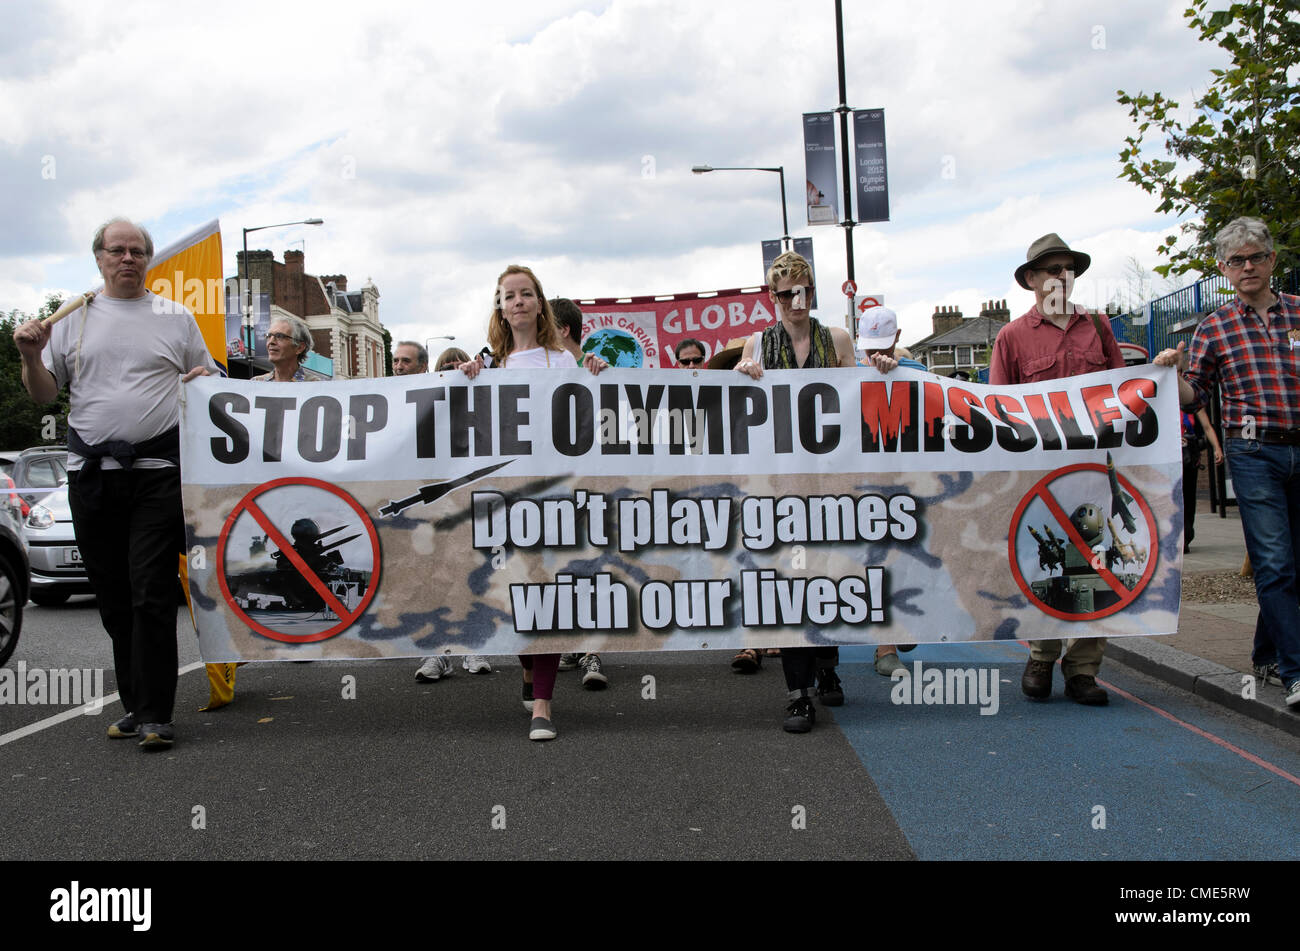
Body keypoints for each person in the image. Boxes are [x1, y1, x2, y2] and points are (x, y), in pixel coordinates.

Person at [13, 217, 217, 749]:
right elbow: (41, 396)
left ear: (148, 260)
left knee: (151, 590)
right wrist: (30, 356)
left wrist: (204, 380)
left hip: (157, 477)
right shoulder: (73, 321)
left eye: (137, 251)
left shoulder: (175, 317)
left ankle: (155, 713)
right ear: (99, 258)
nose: (127, 258)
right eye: (117, 250)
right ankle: (134, 704)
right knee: (114, 596)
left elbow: (211, 378)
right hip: (90, 478)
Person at [1154, 216, 1300, 707]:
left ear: (1272, 260)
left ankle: (1266, 654)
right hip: (1253, 451)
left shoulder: (1299, 313)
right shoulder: (1215, 326)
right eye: (1237, 261)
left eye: (1257, 256)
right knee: (1273, 561)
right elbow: (1195, 394)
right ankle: (1297, 672)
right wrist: (1172, 377)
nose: (1248, 266)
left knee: (1290, 563)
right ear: (1223, 270)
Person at [462, 267, 607, 739]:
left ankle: (542, 703)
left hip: (551, 496)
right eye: (510, 295)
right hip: (504, 496)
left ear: (539, 303)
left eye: (527, 294)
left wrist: (599, 375)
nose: (519, 301)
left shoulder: (561, 362)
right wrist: (463, 378)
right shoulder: (490, 367)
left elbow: (590, 416)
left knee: (545, 592)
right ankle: (528, 667)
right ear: (500, 308)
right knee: (510, 591)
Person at [990, 232, 1124, 706]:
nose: (1058, 277)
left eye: (1066, 268)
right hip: (1040, 476)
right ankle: (1042, 655)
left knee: (1095, 562)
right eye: (1049, 269)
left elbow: (1122, 391)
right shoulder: (1011, 337)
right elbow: (997, 410)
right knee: (1042, 561)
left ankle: (1084, 669)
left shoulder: (1099, 328)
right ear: (1030, 280)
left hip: (1094, 469)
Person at [735, 250, 856, 732]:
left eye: (802, 290)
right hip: (781, 486)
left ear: (812, 290)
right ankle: (797, 693)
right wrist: (741, 378)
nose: (794, 300)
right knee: (789, 581)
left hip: (832, 482)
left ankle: (827, 664)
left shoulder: (839, 340)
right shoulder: (758, 344)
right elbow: (737, 415)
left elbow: (861, 398)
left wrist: (882, 368)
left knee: (830, 574)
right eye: (785, 293)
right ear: (773, 297)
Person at [409, 343, 492, 679]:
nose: (456, 370)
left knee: (472, 576)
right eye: (448, 366)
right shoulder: (425, 410)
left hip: (473, 506)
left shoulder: (484, 404)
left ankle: (474, 648)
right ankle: (438, 653)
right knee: (438, 577)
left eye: (461, 365)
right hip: (438, 507)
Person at [856, 307, 925, 677]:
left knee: (907, 557)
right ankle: (886, 647)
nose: (872, 355)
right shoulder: (844, 374)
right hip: (865, 484)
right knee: (877, 560)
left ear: (897, 336)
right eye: (868, 348)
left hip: (907, 482)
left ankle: (903, 626)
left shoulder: (918, 375)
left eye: (880, 346)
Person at [546, 297, 610, 689]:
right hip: (554, 487)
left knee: (590, 566)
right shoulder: (542, 371)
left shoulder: (595, 371)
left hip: (590, 486)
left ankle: (593, 649)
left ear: (563, 330)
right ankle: (571, 642)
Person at [1180, 408, 1223, 553]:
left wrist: (1217, 448)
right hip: (1168, 457)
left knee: (1188, 496)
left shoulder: (1191, 403)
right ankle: (1176, 536)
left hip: (1189, 457)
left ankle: (1185, 536)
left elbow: (1207, 427)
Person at [252, 314, 313, 382]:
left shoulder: (317, 386)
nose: (271, 342)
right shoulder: (256, 383)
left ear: (299, 348)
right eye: (269, 336)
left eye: (280, 336)